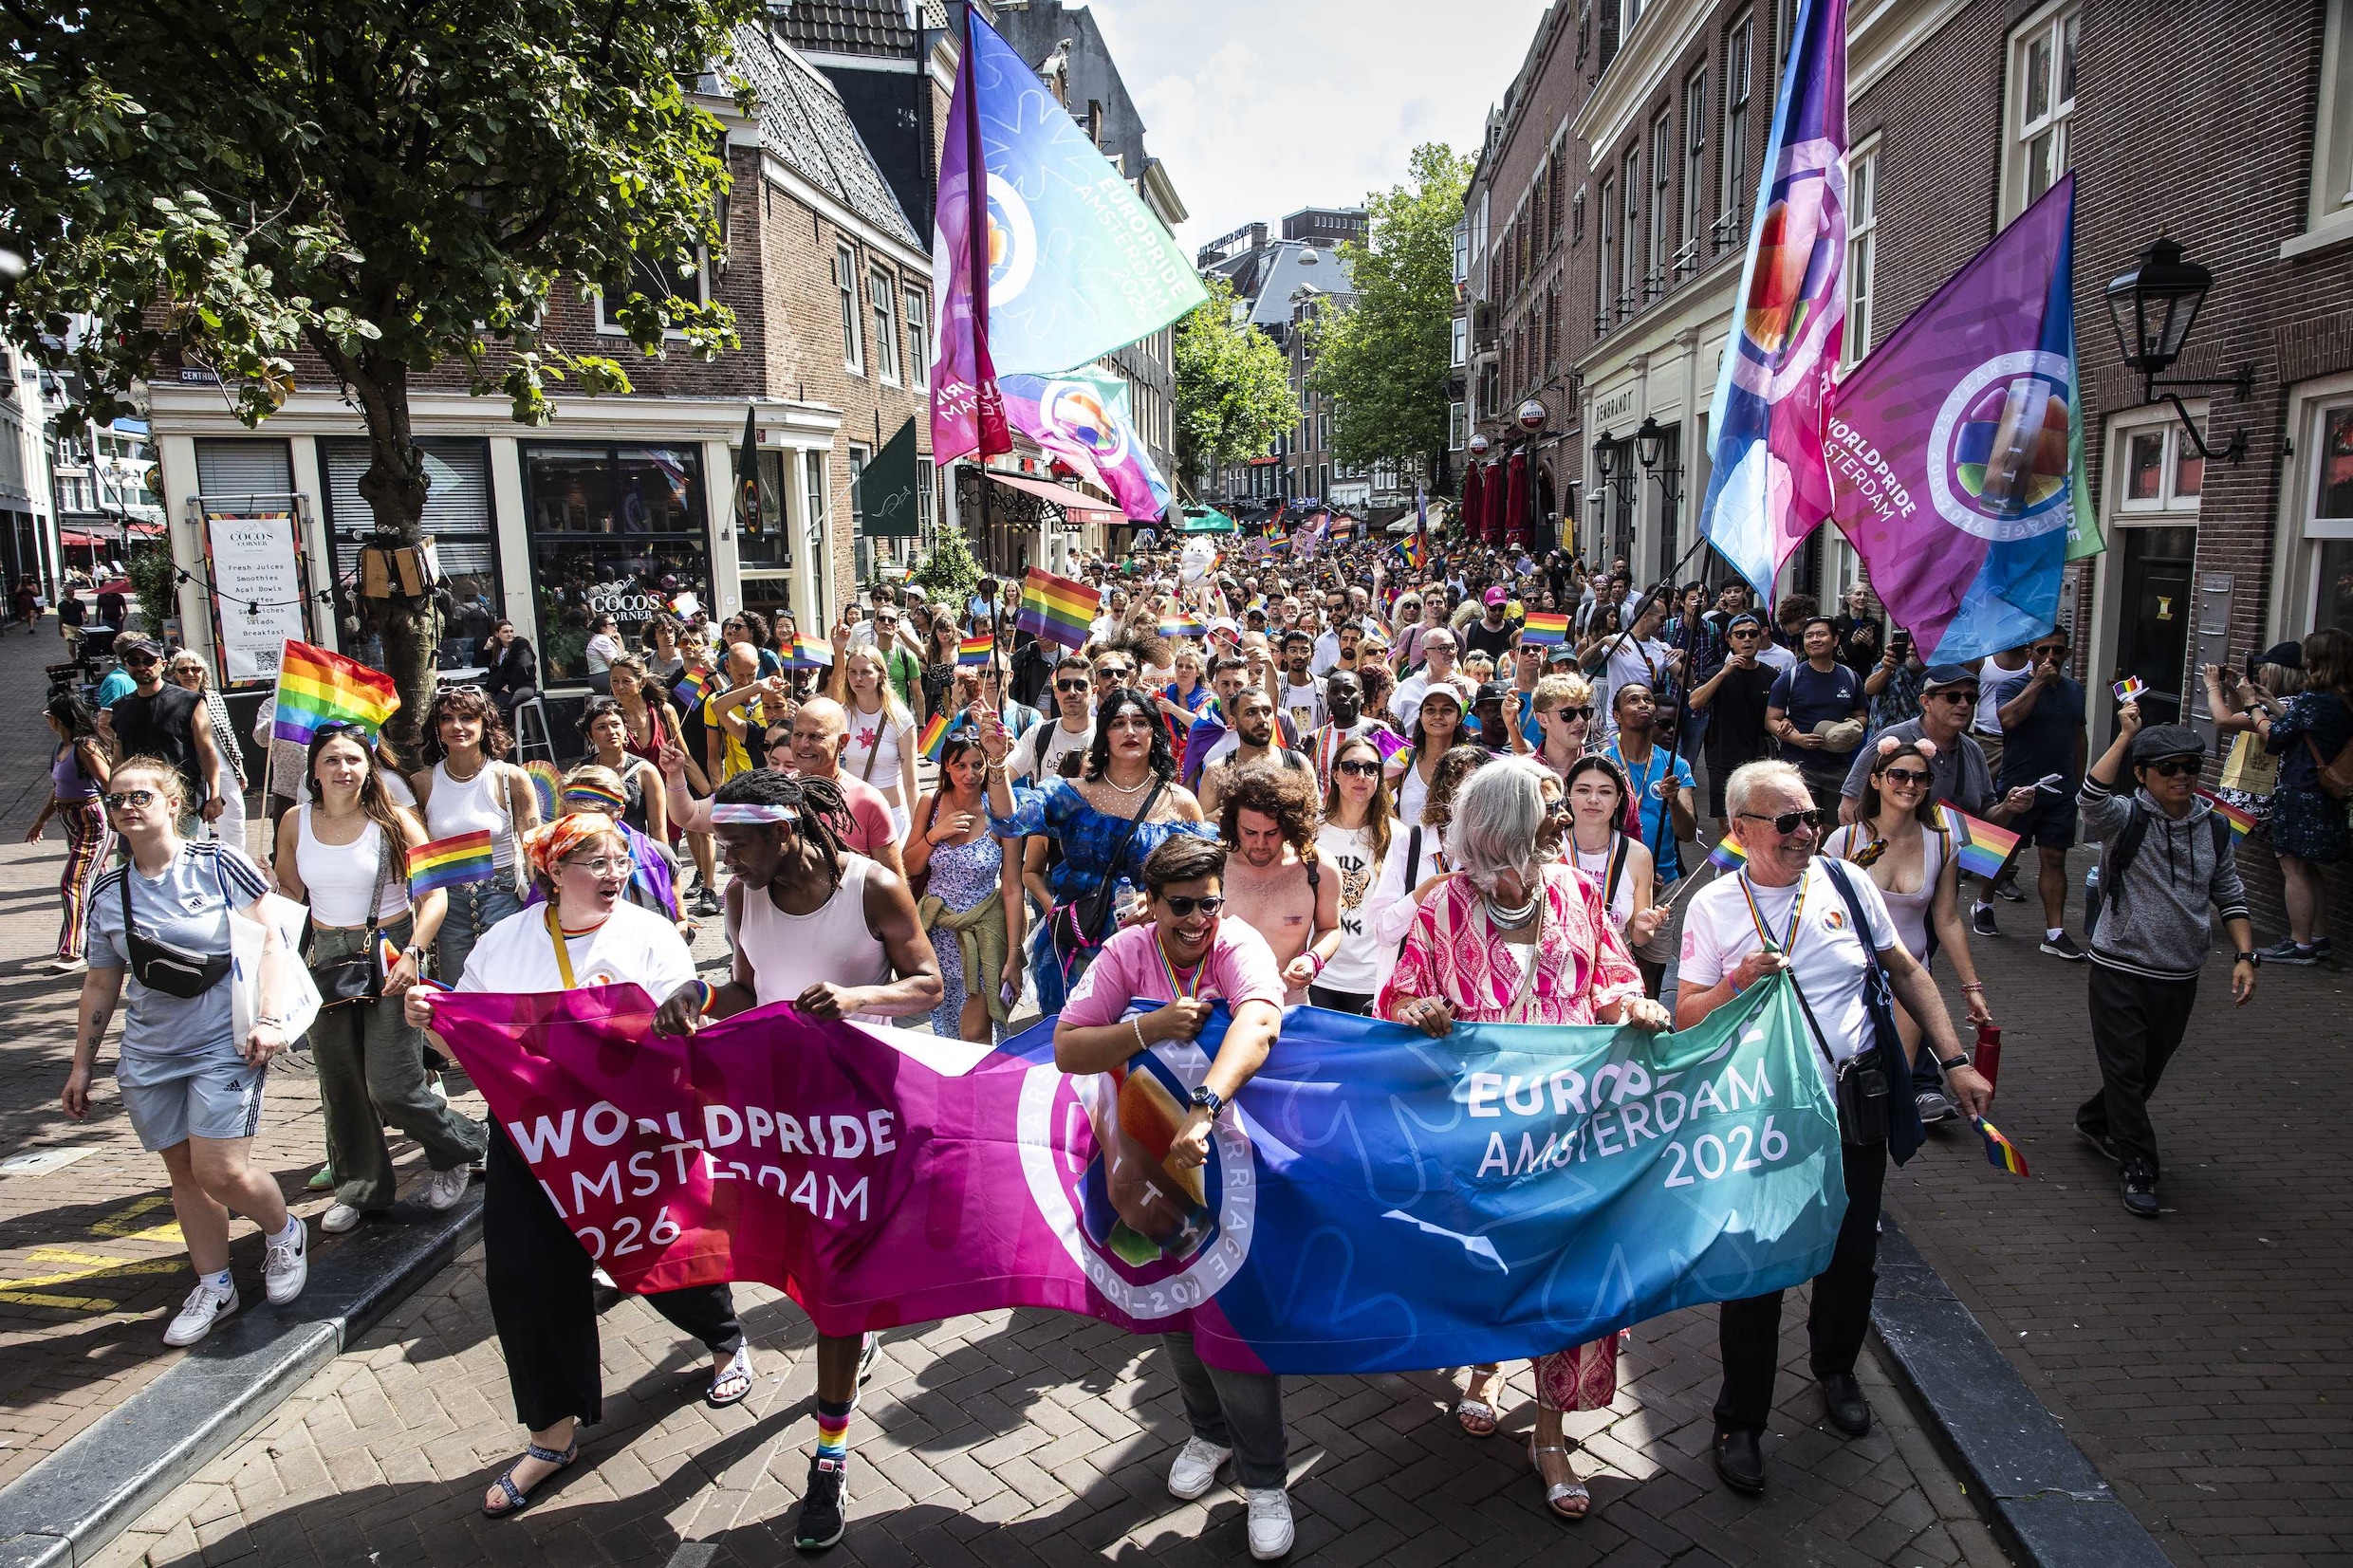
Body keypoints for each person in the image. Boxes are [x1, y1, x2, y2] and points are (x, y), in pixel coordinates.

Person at [404, 813, 750, 1520]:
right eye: (594, 859)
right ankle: (551, 1434)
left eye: (621, 857)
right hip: (530, 1143)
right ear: (554, 871)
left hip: (630, 1136)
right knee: (526, 1277)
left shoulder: (649, 933)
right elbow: (459, 1047)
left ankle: (723, 1338)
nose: (614, 871)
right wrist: (429, 1021)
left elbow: (680, 1026)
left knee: (659, 1248)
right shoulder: (504, 942)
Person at [1677, 760, 1992, 1494]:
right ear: (1743, 828)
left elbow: (1909, 970)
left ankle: (1836, 1371)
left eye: (1811, 816)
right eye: (1787, 820)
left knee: (1852, 1258)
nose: (1806, 832)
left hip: (1854, 1108)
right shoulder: (1717, 906)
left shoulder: (1849, 884)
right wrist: (1735, 981)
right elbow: (1689, 1014)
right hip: (1764, 1118)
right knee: (1756, 1271)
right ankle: (1740, 1419)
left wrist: (1953, 1059)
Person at [1379, 760, 1670, 1519]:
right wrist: (1420, 1010)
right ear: (1505, 821)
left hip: (1572, 1132)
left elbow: (1612, 977)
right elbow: (1399, 995)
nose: (1566, 818)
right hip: (1479, 1137)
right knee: (1486, 1262)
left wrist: (1630, 1007)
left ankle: (1549, 1434)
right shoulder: (1441, 906)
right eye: (1550, 807)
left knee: (1566, 1279)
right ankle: (1483, 1364)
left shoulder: (1577, 891)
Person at [706, 768, 942, 1549]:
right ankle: (856, 1321)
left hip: (861, 1117)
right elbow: (747, 991)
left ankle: (829, 1457)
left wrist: (853, 1000)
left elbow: (928, 984)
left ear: (784, 833)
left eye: (737, 846)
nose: (726, 864)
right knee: (821, 1275)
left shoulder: (871, 885)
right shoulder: (744, 897)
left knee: (836, 1284)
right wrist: (698, 1003)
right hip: (782, 1118)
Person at [1049, 834, 1296, 1560]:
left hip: (1232, 1160)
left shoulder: (1236, 942)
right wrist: (1147, 1027)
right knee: (1173, 1309)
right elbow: (1068, 1044)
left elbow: (1260, 1019)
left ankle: (1266, 1481)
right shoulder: (1126, 953)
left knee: (1232, 1322)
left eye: (1209, 903)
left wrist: (1206, 1107)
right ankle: (1208, 1434)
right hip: (1150, 1166)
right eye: (1180, 905)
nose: (1197, 920)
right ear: (1150, 904)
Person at [66, 758, 308, 1345]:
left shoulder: (219, 864)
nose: (127, 807)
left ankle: (283, 1231)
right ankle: (215, 1283)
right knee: (183, 1173)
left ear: (173, 803)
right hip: (151, 1052)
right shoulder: (109, 890)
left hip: (224, 1042)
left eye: (140, 796)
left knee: (219, 1169)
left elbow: (270, 942)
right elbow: (102, 981)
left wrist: (272, 1019)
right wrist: (81, 1065)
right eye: (117, 798)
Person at [274, 724, 485, 1233]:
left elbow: (435, 896)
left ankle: (459, 1146)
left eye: (353, 759)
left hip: (390, 950)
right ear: (315, 770)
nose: (344, 770)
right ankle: (361, 1187)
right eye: (332, 760)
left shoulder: (394, 821)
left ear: (370, 766)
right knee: (340, 1082)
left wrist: (414, 952)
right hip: (325, 955)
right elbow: (288, 890)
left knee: (392, 1083)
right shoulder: (294, 821)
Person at [2076, 710, 2257, 1217]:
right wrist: (2127, 736)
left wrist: (2246, 955)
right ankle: (2139, 1166)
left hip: (2181, 973)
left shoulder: (2216, 827)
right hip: (2120, 965)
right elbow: (2089, 797)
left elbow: (2230, 893)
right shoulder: (2124, 817)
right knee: (2127, 1070)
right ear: (2142, 774)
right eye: (2168, 767)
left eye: (2190, 767)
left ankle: (2094, 1120)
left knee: (2146, 1070)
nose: (2181, 776)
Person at [978, 685, 1212, 1013]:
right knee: (1079, 1055)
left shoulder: (1181, 802)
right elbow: (1009, 820)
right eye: (1117, 723)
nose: (1129, 730)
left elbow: (1205, 883)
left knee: (1141, 1057)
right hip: (1079, 951)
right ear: (1104, 734)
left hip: (1154, 950)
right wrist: (997, 763)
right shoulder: (1074, 793)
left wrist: (1158, 900)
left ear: (1153, 731)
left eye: (1140, 721)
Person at [1824, 737, 1994, 1117]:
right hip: (1848, 978)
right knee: (1842, 1081)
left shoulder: (1943, 842)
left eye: (1921, 778)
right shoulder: (1845, 840)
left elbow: (1947, 918)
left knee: (1889, 1082)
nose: (1910, 785)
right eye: (1899, 775)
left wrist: (1972, 988)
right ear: (1876, 780)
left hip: (1909, 976)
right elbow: (1816, 913)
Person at [411, 685, 543, 980]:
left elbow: (534, 847)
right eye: (446, 718)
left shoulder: (510, 777)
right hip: (449, 905)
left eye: (468, 717)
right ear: (437, 727)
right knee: (460, 994)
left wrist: (543, 900)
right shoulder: (422, 783)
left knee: (510, 989)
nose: (457, 726)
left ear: (485, 724)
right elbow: (417, 855)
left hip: (504, 896)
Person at [902, 727, 1026, 1042]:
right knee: (946, 1032)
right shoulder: (931, 802)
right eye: (960, 765)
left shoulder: (1001, 812)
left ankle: (978, 1090)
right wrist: (936, 833)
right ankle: (952, 1090)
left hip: (982, 937)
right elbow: (909, 866)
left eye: (977, 765)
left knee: (974, 1035)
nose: (969, 774)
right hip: (937, 938)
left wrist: (1013, 954)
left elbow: (1012, 887)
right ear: (946, 766)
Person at [2248, 626, 2353, 964]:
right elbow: (2305, 727)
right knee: (2309, 868)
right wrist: (2272, 703)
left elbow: (2276, 738)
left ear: (2317, 659)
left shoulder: (2314, 699)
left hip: (2302, 790)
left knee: (2293, 867)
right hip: (2328, 793)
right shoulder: (2342, 699)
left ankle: (2300, 943)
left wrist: (2253, 708)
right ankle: (2319, 937)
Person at [1989, 627, 2088, 960]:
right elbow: (2009, 719)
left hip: (2060, 788)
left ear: (2067, 654)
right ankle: (1983, 902)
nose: (2051, 657)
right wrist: (2038, 683)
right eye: (2043, 650)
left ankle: (2055, 932)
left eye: (2058, 651)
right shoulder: (2013, 686)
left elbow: (2078, 735)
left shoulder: (2075, 690)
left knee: (2054, 857)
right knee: (2005, 852)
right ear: (2030, 653)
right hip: (2020, 784)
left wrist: (2078, 780)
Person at [1217, 762, 1341, 1005]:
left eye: (1271, 833)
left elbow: (1331, 928)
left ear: (1288, 825)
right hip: (1222, 1007)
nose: (1260, 844)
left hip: (1289, 1007)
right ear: (1234, 824)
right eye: (1250, 832)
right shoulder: (1214, 867)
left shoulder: (1317, 866)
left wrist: (1312, 959)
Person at [1561, 753, 1669, 976]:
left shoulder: (1638, 855)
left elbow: (1639, 939)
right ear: (1568, 794)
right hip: (1560, 973)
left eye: (1605, 791)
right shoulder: (1550, 848)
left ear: (1619, 799)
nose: (1593, 799)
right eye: (1583, 790)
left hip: (1613, 975)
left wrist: (1643, 926)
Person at [28, 692, 113, 973]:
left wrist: (122, 818)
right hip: (71, 822)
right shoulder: (61, 748)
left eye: (49, 717)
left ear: (56, 719)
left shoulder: (86, 747)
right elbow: (58, 790)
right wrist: (40, 822)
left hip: (92, 821)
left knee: (73, 883)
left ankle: (73, 951)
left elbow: (108, 783)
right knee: (98, 886)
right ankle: (110, 938)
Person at [1311, 734, 1396, 1013]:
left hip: (1373, 977)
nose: (1361, 776)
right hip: (1320, 973)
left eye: (1371, 768)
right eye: (1350, 767)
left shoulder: (1400, 837)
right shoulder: (1312, 833)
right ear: (1335, 774)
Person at [108, 637, 226, 834]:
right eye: (134, 661)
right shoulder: (121, 707)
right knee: (139, 862)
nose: (141, 666)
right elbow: (118, 758)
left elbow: (206, 751)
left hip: (179, 802)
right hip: (135, 803)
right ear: (126, 666)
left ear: (162, 665)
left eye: (148, 661)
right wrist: (112, 799)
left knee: (180, 860)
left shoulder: (190, 702)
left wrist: (215, 796)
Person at [1764, 616, 1867, 814]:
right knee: (1803, 824)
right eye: (1809, 636)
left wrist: (1853, 726)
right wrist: (1797, 739)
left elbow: (1862, 717)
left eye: (1821, 634)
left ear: (1835, 640)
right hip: (1799, 766)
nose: (1815, 639)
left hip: (1839, 767)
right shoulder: (1790, 678)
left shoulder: (1851, 677)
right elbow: (1770, 720)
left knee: (1834, 828)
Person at [1603, 682, 1696, 894]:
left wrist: (1673, 801)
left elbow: (1688, 833)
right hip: (1615, 875)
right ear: (1617, 716)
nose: (1643, 705)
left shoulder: (1676, 765)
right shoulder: (1602, 763)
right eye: (1633, 700)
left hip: (1664, 880)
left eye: (1648, 700)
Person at [832, 644, 921, 837]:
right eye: (852, 672)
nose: (857, 678)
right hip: (854, 814)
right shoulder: (843, 715)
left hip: (893, 816)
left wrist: (918, 831)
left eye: (865, 672)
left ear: (881, 675)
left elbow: (911, 783)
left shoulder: (900, 719)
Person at [167, 653, 250, 852]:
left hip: (223, 765)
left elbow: (228, 734)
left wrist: (239, 767)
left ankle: (235, 858)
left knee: (235, 812)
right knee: (198, 819)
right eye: (183, 670)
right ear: (174, 674)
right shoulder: (170, 701)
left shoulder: (214, 698)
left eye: (196, 670)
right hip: (189, 768)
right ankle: (202, 861)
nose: (190, 674)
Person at [1198, 688, 1312, 818]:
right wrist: (1218, 819)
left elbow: (1315, 819)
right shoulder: (1216, 771)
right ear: (1233, 722)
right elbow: (1202, 829)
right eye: (1251, 712)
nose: (1261, 720)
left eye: (1267, 711)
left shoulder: (1299, 763)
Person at [1385, 681, 1475, 829]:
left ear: (1459, 718)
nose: (1438, 716)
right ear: (1421, 717)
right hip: (1408, 851)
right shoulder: (1405, 759)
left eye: (1446, 710)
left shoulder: (1470, 762)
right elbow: (1376, 796)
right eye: (1430, 710)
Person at [577, 697, 669, 841]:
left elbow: (658, 828)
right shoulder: (582, 771)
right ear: (590, 736)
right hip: (592, 853)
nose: (611, 731)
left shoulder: (645, 772)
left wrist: (663, 860)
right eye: (601, 727)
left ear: (625, 729)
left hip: (634, 853)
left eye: (615, 725)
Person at [1010, 654, 1097, 784]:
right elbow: (1005, 775)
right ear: (1056, 692)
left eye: (1080, 685)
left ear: (1094, 691)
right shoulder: (1038, 733)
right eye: (1064, 685)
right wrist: (996, 759)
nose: (1072, 692)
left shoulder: (1107, 734)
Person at [1510, 672, 1595, 781]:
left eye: (1585, 712)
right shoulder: (1522, 773)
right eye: (1568, 714)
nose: (1580, 721)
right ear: (1543, 719)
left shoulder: (1603, 772)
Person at [481, 620, 539, 717]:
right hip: (501, 688)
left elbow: (524, 666)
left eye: (511, 631)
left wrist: (511, 686)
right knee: (481, 706)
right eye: (505, 632)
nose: (509, 634)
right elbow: (480, 664)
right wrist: (487, 647)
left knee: (493, 708)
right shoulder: (497, 649)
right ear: (497, 634)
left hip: (522, 686)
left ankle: (509, 731)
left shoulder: (521, 644)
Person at [1832, 585, 1883, 678]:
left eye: (1866, 594)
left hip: (1865, 676)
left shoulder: (1874, 625)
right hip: (1842, 675)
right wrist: (1851, 643)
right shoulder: (1836, 623)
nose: (1862, 597)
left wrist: (1871, 644)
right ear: (1848, 599)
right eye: (1858, 594)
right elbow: (1832, 655)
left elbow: (1880, 658)